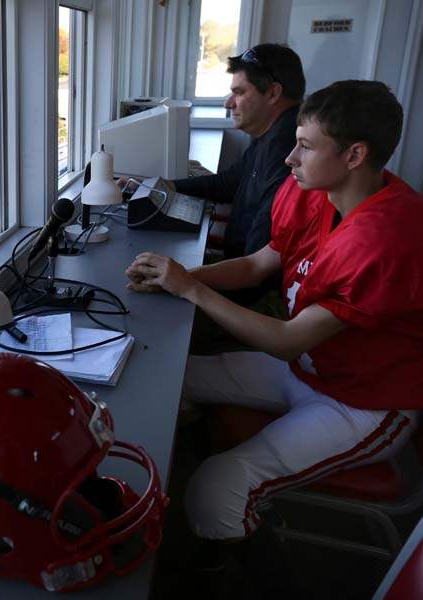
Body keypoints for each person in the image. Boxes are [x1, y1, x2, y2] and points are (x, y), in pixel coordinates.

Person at [125, 81, 422, 594]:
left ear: (354, 154)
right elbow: (262, 264)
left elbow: (288, 341)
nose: (288, 157)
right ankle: (205, 519)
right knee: (172, 378)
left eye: (305, 145)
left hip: (364, 404)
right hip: (311, 370)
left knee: (214, 493)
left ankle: (244, 564)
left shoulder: (387, 236)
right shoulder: (315, 192)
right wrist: (178, 275)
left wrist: (189, 289)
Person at [163, 44, 306, 263]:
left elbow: (256, 266)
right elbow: (229, 183)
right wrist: (168, 187)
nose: (228, 103)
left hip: (249, 286)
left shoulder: (287, 150)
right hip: (238, 268)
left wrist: (187, 279)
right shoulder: (273, 134)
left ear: (272, 93)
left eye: (239, 92)